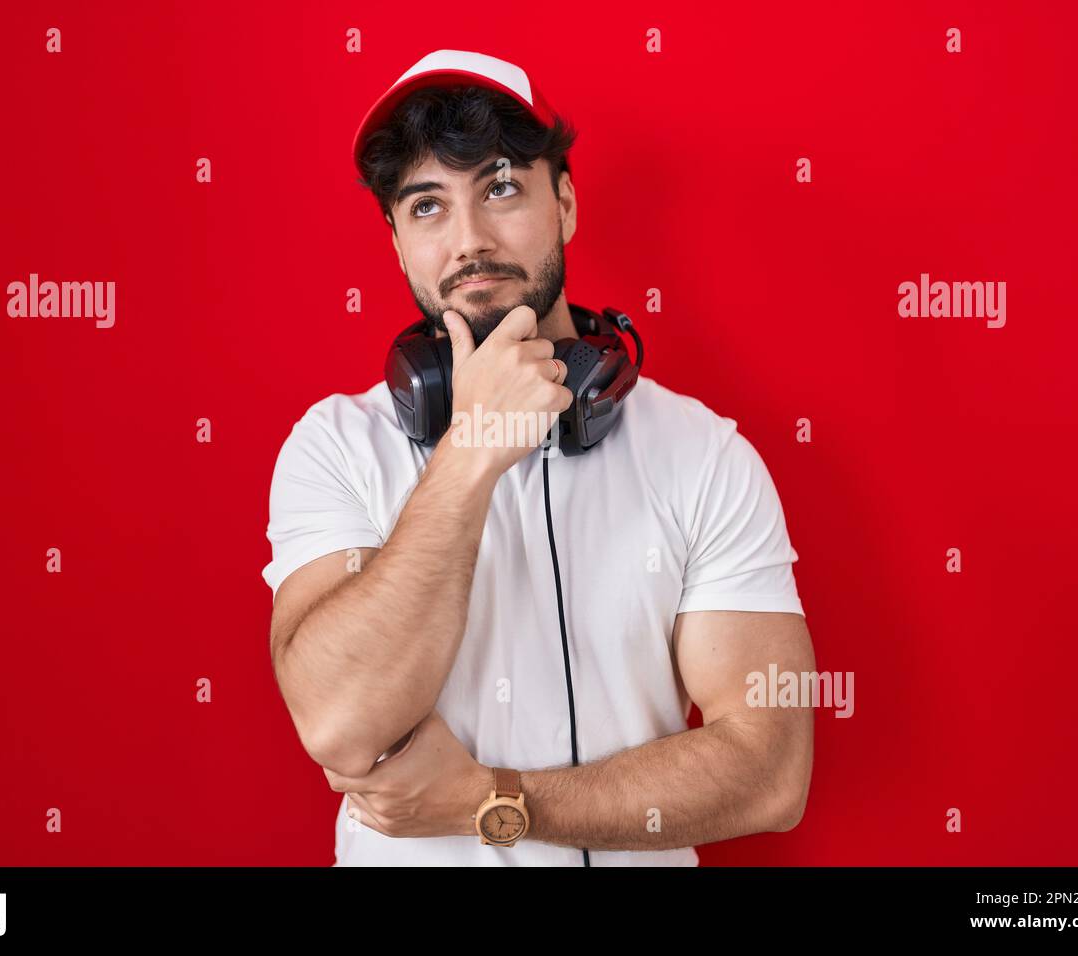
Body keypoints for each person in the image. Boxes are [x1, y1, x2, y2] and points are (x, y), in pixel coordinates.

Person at [263, 49, 815, 866]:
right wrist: (471, 454)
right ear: (396, 244)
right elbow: (340, 722)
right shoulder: (335, 446)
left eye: (502, 187)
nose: (469, 241)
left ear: (564, 201)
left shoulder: (703, 453)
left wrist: (494, 802)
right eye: (426, 207)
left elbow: (772, 773)